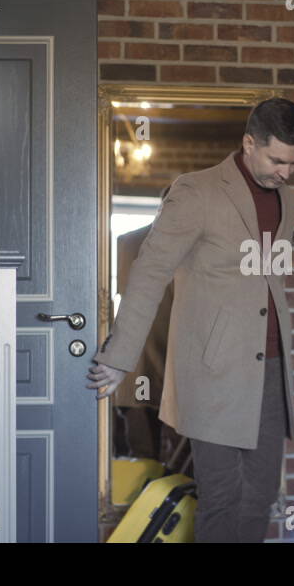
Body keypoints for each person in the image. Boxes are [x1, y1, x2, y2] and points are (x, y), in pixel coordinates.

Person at [87, 97, 294, 542]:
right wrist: (120, 355)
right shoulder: (196, 191)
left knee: (261, 494)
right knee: (222, 496)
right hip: (212, 371)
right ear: (249, 143)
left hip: (269, 370)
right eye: (277, 160)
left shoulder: (289, 198)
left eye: (293, 163)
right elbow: (149, 272)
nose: (285, 172)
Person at [111, 186, 176, 461]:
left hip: (134, 363)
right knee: (178, 457)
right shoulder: (193, 246)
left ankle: (147, 500)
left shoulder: (127, 242)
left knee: (141, 453)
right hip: (167, 364)